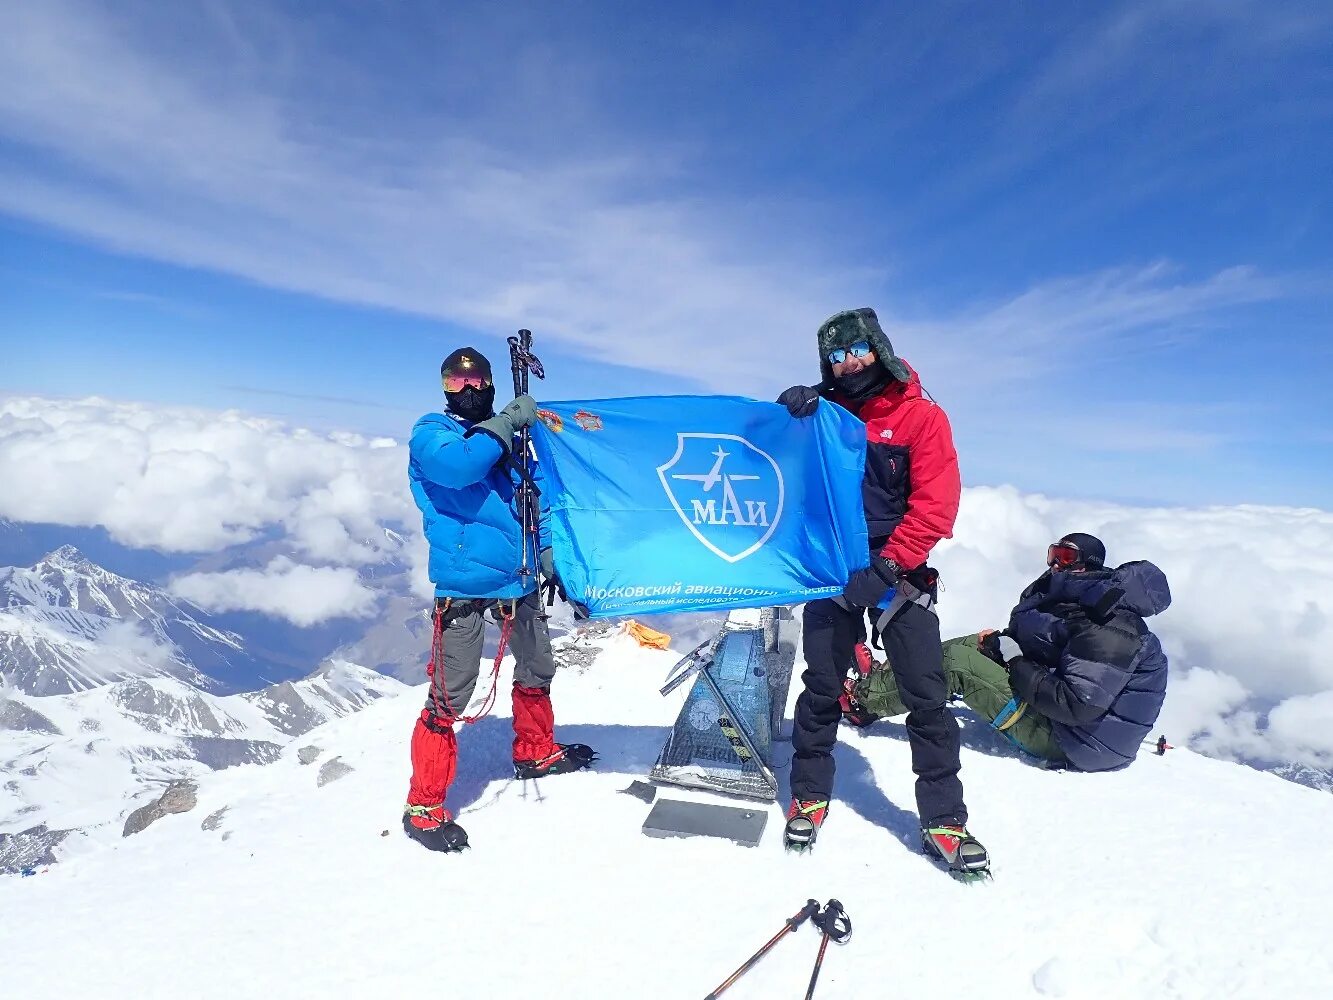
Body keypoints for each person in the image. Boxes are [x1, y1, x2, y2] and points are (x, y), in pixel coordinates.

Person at [777, 307, 987, 877]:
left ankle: (944, 819)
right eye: (835, 356)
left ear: (879, 348)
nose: (848, 364)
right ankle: (809, 793)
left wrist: (890, 566)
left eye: (857, 350)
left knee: (926, 695)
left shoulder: (921, 417)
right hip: (835, 568)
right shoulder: (822, 413)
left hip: (900, 573)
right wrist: (785, 418)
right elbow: (777, 472)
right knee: (823, 684)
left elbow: (935, 506)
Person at [401, 346, 594, 853]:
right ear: (444, 389)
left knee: (537, 666)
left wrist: (549, 555)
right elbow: (459, 468)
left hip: (519, 576)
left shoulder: (514, 443)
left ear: (489, 383)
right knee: (450, 694)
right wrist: (508, 421)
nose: (468, 390)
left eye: (476, 381)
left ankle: (535, 750)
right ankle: (423, 806)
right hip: (464, 584)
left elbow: (538, 501)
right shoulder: (432, 432)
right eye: (455, 383)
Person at [843, 533, 1172, 772]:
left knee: (960, 665)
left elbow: (1074, 705)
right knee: (973, 644)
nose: (1055, 564)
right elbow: (1052, 648)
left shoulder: (1112, 629)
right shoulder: (1082, 603)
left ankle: (863, 702)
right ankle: (885, 681)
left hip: (1077, 743)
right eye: (1053, 553)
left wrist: (1014, 659)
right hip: (1074, 726)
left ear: (1088, 566)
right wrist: (1002, 646)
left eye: (1066, 557)